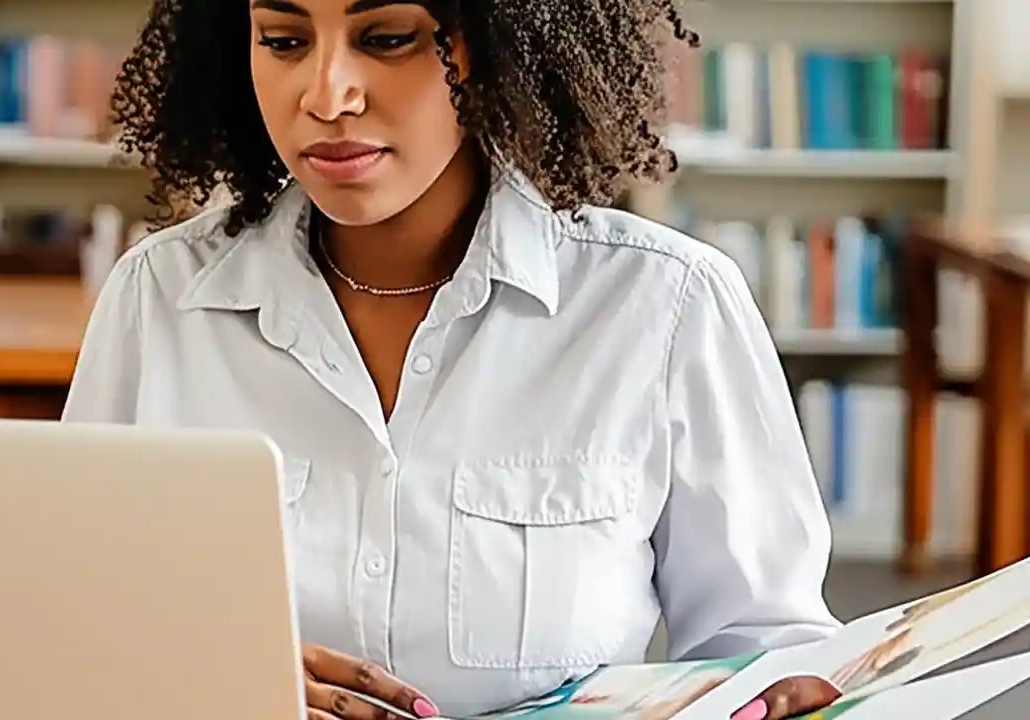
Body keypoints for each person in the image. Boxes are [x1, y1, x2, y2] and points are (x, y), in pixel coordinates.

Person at [63, 1, 845, 718]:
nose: (327, 95)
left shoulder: (667, 305)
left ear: (495, 46)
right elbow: (73, 632)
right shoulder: (157, 300)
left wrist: (789, 691)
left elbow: (766, 648)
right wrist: (212, 681)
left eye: (387, 39)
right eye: (284, 41)